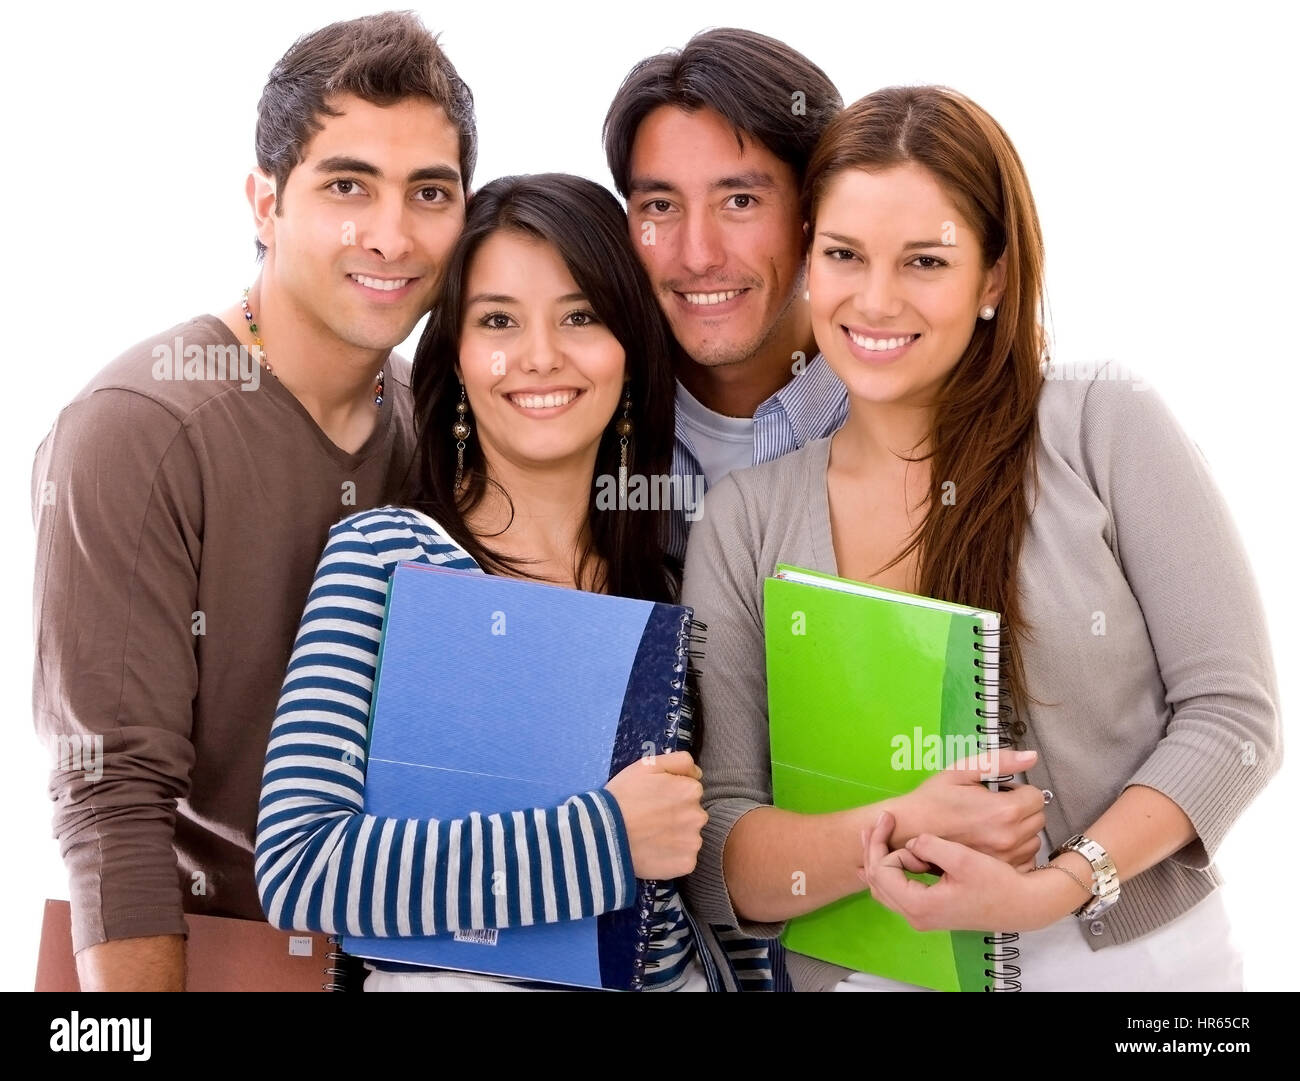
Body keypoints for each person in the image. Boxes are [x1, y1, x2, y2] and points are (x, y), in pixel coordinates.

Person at [682, 85, 1281, 991]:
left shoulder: (1100, 422)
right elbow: (724, 845)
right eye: (845, 254)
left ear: (992, 277)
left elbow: (1236, 717)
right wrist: (894, 827)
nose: (876, 300)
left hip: (1146, 974)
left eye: (925, 260)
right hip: (872, 975)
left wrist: (1054, 887)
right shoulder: (746, 519)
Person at [30, 11, 475, 990]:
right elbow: (113, 800)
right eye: (347, 184)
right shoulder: (136, 427)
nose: (392, 234)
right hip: (213, 962)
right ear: (264, 202)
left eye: (428, 192)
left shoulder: (437, 426)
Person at [256, 173, 755, 991]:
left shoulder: (671, 589)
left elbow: (704, 886)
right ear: (455, 354)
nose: (540, 356)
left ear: (629, 350)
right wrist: (604, 838)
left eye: (580, 317)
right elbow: (300, 866)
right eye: (498, 320)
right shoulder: (387, 561)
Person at [603, 27, 849, 564]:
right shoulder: (587, 403)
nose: (698, 256)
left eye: (739, 201)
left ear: (816, 212)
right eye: (661, 206)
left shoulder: (900, 410)